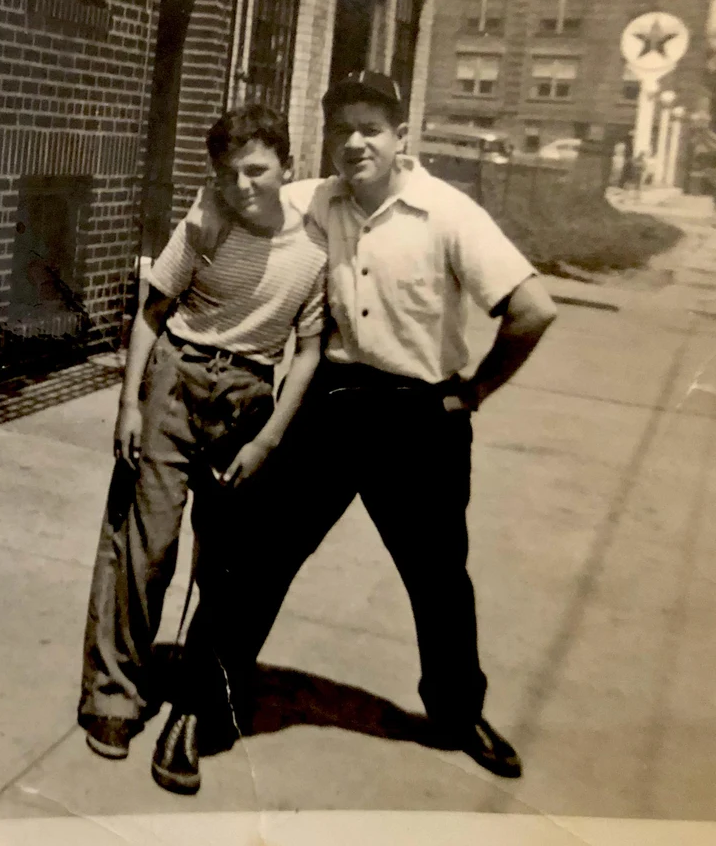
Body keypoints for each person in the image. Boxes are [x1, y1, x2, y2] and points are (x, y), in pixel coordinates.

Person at [181, 69, 558, 782]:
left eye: (371, 129)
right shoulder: (315, 200)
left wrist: (476, 387)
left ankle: (456, 713)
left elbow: (533, 308)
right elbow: (235, 193)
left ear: (400, 137)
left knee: (438, 575)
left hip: (421, 417)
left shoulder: (448, 213)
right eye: (343, 128)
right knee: (260, 555)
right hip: (331, 401)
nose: (355, 142)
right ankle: (208, 703)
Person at [77, 103, 328, 781]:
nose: (245, 185)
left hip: (249, 395)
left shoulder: (317, 245)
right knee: (145, 544)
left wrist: (271, 439)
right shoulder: (206, 223)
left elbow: (307, 352)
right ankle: (112, 697)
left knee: (227, 562)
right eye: (230, 173)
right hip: (175, 381)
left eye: (257, 170)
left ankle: (193, 704)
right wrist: (129, 404)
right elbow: (152, 312)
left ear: (287, 167)